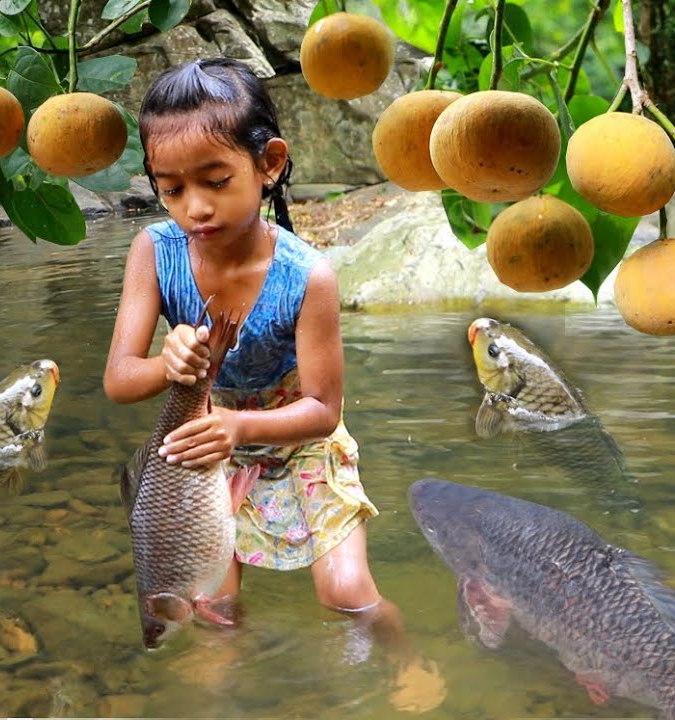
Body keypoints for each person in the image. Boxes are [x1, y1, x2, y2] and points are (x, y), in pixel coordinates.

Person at [103, 58, 443, 712]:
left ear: (271, 163)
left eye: (216, 180)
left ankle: (404, 656)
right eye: (170, 189)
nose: (194, 207)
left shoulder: (307, 275)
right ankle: (231, 677)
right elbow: (121, 380)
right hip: (206, 446)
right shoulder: (154, 250)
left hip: (297, 439)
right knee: (212, 601)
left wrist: (238, 426)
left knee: (348, 595)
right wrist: (168, 366)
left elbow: (322, 410)